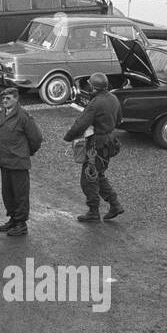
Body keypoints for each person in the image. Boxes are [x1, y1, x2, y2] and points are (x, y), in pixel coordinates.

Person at [63, 72, 125, 223]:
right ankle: (115, 205)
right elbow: (119, 120)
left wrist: (69, 136)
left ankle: (93, 212)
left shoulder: (96, 103)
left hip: (96, 146)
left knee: (88, 179)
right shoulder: (113, 98)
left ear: (93, 87)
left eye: (90, 85)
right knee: (98, 175)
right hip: (109, 143)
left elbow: (81, 123)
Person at [0, 88, 41, 237]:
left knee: (20, 194)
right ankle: (13, 219)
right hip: (5, 160)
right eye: (3, 99)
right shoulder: (3, 113)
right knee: (7, 193)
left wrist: (27, 152)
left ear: (16, 99)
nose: (4, 101)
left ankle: (21, 224)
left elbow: (36, 138)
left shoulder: (23, 116)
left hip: (18, 162)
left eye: (8, 98)